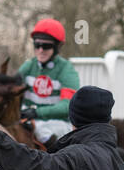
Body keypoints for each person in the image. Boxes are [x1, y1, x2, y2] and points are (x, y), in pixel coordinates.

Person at [18, 18, 81, 150]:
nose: (40, 50)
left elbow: (67, 106)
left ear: (57, 47)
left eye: (46, 46)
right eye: (37, 45)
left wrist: (37, 112)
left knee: (42, 132)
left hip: (59, 123)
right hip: (30, 120)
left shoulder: (67, 70)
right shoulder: (28, 66)